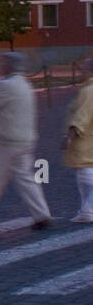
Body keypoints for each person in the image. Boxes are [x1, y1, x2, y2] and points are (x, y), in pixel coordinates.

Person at [0, 51, 53, 230]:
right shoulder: (26, 85)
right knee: (27, 180)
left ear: (11, 65)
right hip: (24, 141)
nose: (2, 65)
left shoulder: (7, 86)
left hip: (4, 141)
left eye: (5, 62)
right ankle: (41, 214)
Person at [60, 56, 93, 223]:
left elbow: (81, 117)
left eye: (85, 68)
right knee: (84, 175)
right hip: (87, 139)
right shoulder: (87, 89)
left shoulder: (89, 91)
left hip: (86, 141)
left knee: (85, 174)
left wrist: (69, 136)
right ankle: (86, 210)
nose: (82, 71)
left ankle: (88, 211)